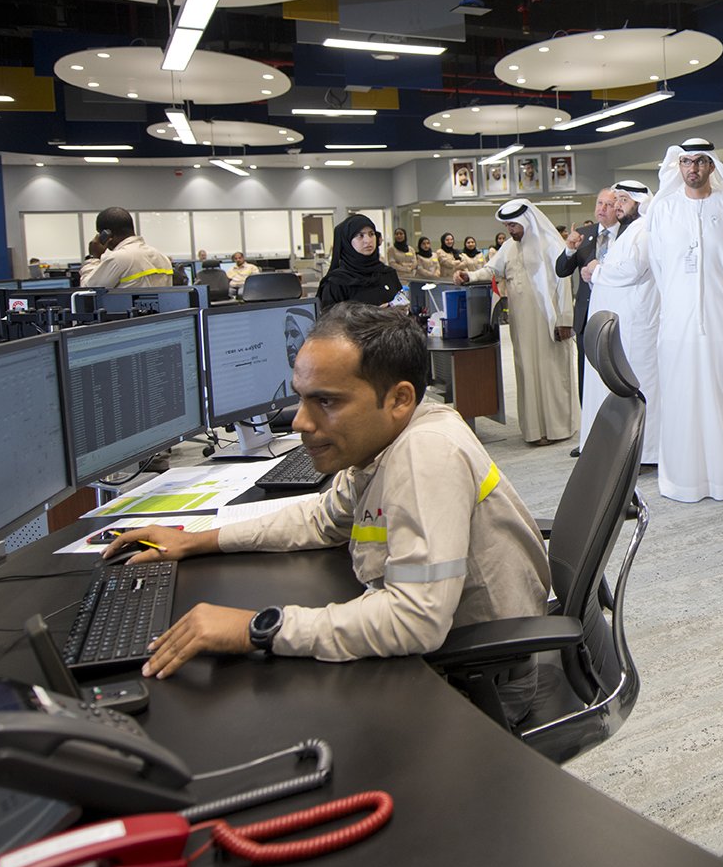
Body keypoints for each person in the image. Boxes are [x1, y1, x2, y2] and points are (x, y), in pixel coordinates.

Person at [102, 305, 554, 722]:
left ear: (399, 399)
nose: (300, 421)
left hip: (475, 683)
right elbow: (321, 518)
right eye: (301, 398)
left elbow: (414, 621)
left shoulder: (426, 456)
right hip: (442, 659)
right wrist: (198, 539)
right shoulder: (385, 441)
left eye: (327, 401)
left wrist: (258, 627)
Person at [645, 137, 723, 503]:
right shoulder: (663, 211)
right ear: (678, 167)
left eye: (701, 162)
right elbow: (660, 268)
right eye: (686, 162)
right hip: (678, 323)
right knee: (682, 397)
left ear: (712, 166)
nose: (693, 169)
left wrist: (717, 300)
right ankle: (683, 479)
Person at [471, 198, 576, 447]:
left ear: (526, 222)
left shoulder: (551, 244)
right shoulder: (508, 247)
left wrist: (565, 320)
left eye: (514, 226)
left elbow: (564, 283)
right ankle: (533, 430)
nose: (510, 231)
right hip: (521, 325)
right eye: (507, 227)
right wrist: (469, 276)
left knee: (551, 373)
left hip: (548, 322)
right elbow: (490, 271)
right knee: (526, 372)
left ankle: (558, 429)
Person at [581, 181, 661, 465]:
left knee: (640, 385)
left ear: (640, 202)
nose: (617, 206)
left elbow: (633, 270)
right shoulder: (630, 231)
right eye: (616, 200)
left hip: (639, 325)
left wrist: (598, 270)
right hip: (625, 323)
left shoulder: (645, 230)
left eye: (623, 200)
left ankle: (644, 454)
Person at [557, 189, 619, 410]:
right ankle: (589, 435)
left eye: (608, 205)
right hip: (586, 318)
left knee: (615, 374)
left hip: (618, 315)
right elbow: (561, 270)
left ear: (618, 207)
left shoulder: (627, 235)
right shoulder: (583, 234)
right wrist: (569, 250)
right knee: (586, 375)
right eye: (599, 203)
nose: (601, 209)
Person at [317, 214, 402, 308]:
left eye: (371, 234)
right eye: (360, 236)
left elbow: (402, 304)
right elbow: (330, 320)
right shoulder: (336, 283)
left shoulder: (387, 273)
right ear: (347, 242)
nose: (368, 240)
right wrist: (375, 316)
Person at [79, 207, 174, 288]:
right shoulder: (162, 258)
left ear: (107, 234)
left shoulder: (118, 258)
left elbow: (88, 290)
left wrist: (93, 257)